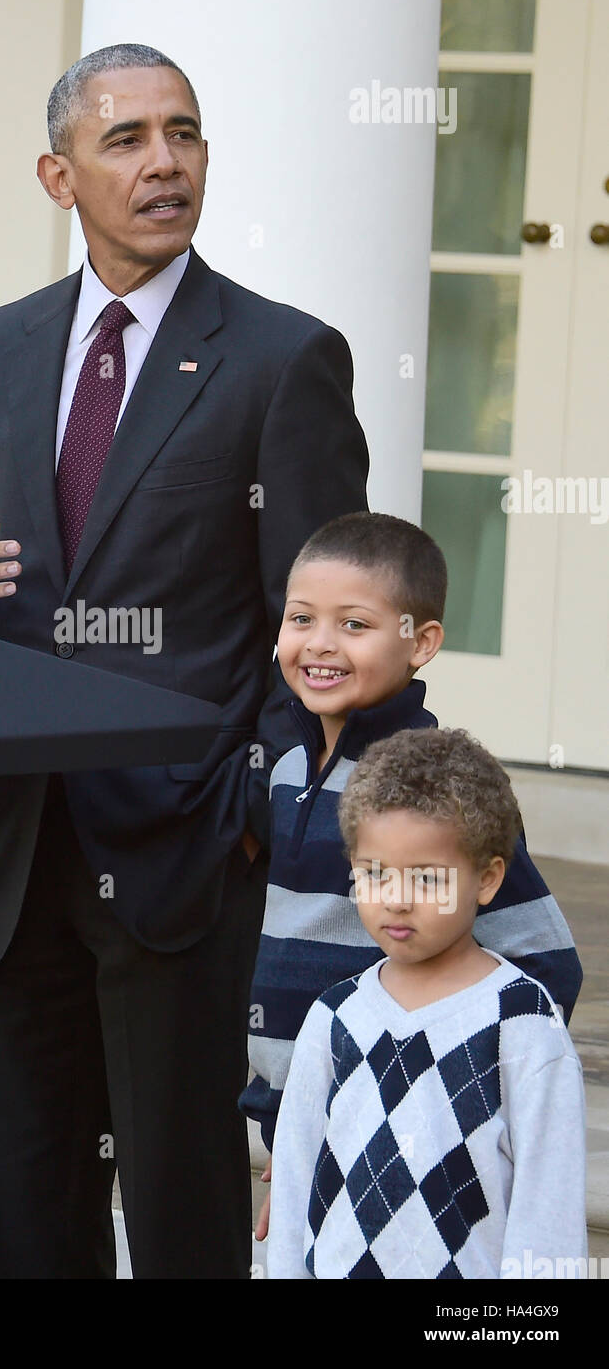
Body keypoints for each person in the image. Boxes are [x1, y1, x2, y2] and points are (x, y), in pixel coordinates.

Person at [0, 43, 368, 1277]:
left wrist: (250, 805)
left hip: (182, 862)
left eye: (184, 135)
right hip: (10, 854)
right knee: (19, 1218)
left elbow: (325, 629)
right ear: (59, 175)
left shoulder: (281, 358)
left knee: (181, 1218)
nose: (166, 163)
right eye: (128, 139)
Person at [241, 512, 583, 1242]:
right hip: (308, 1113)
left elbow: (546, 963)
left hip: (411, 1127)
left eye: (354, 624)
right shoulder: (287, 769)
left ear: (420, 642)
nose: (321, 642)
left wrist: (453, 1095)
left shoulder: (434, 789)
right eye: (301, 618)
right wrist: (288, 1127)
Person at [266, 726, 588, 1279]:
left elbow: (548, 1217)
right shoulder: (335, 1018)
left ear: (487, 879)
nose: (395, 898)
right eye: (373, 873)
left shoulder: (522, 1024)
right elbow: (295, 1190)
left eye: (426, 878)